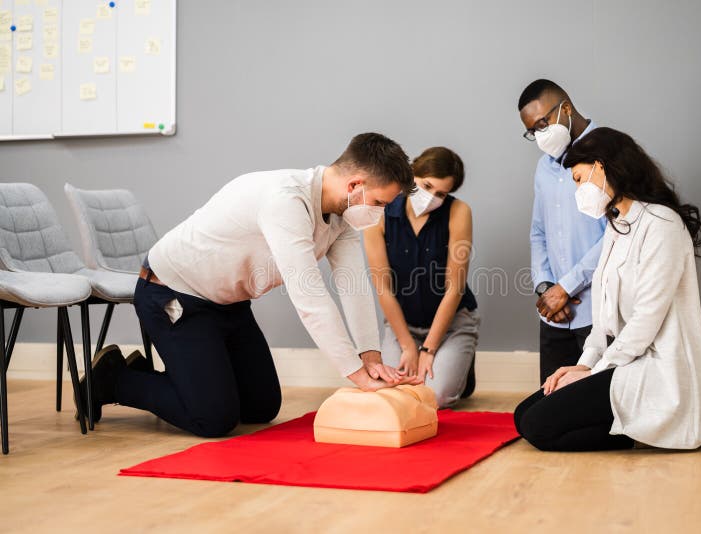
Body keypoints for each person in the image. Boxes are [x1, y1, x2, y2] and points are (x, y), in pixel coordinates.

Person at [79, 133, 417, 437]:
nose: (380, 214)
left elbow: (352, 285)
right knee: (213, 420)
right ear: (355, 185)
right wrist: (356, 374)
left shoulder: (341, 216)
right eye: (379, 204)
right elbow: (310, 296)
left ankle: (170, 379)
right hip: (173, 295)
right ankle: (114, 379)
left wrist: (370, 356)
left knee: (260, 407)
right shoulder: (286, 201)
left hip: (228, 304)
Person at [514, 127, 701, 451]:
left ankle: (646, 430)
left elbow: (645, 321)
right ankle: (632, 425)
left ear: (601, 167)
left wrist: (595, 372)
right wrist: (584, 365)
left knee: (537, 426)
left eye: (579, 179)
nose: (578, 193)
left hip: (653, 368)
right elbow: (602, 319)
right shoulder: (617, 224)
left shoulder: (662, 224)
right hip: (623, 362)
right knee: (523, 414)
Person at [364, 147, 479, 408]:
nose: (431, 197)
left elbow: (455, 289)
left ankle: (459, 364)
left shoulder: (458, 211)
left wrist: (428, 350)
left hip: (451, 326)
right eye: (426, 185)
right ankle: (443, 362)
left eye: (441, 193)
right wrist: (407, 346)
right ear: (412, 174)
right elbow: (383, 288)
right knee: (392, 393)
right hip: (401, 325)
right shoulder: (380, 211)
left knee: (434, 397)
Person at [518, 79, 607, 385]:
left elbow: (618, 233)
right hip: (554, 313)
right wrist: (546, 288)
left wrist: (566, 287)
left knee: (601, 416)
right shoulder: (544, 168)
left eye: (543, 122)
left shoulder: (610, 152)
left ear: (565, 108)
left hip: (599, 311)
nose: (540, 133)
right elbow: (538, 233)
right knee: (546, 409)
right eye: (533, 130)